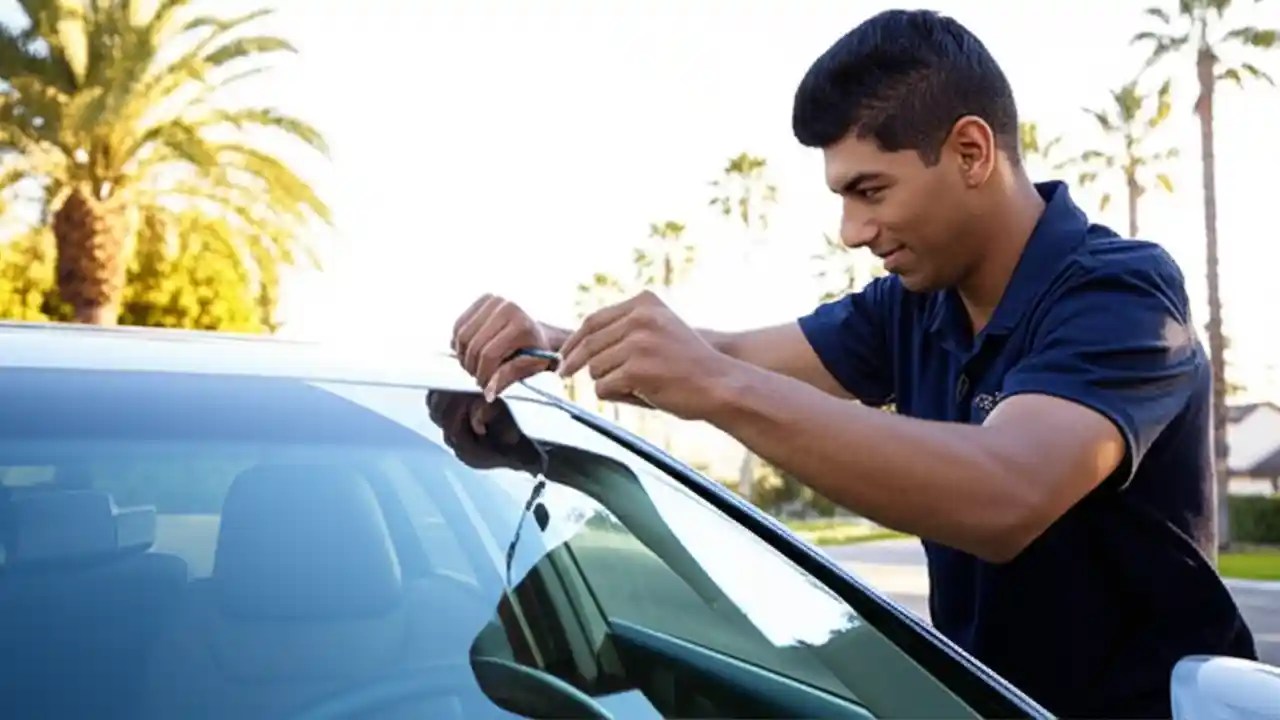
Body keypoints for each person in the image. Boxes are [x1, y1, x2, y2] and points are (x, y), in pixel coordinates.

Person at [448, 9, 1257, 718]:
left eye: (870, 190)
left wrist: (718, 389)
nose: (851, 230)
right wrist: (557, 340)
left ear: (971, 151)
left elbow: (1008, 490)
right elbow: (719, 355)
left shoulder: (1121, 292)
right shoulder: (912, 306)